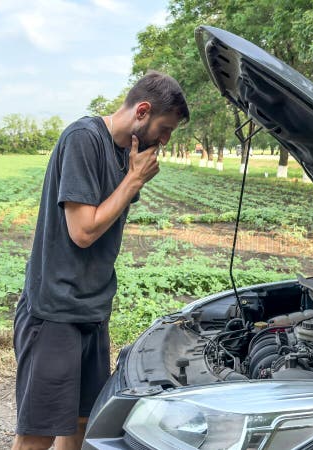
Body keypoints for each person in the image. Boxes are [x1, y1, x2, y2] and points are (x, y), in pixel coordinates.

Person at [12, 71, 189, 450]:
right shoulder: (84, 139)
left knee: (80, 421)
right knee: (38, 432)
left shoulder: (127, 154)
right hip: (55, 309)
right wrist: (134, 180)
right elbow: (83, 230)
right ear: (142, 111)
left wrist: (132, 175)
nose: (165, 139)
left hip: (91, 308)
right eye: (165, 128)